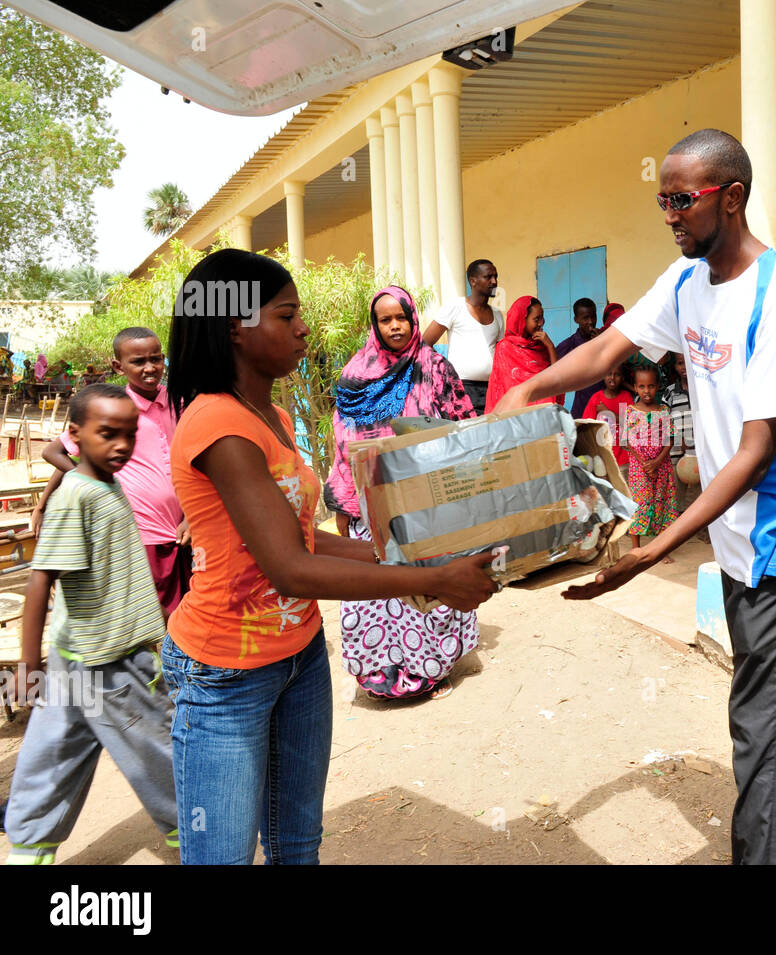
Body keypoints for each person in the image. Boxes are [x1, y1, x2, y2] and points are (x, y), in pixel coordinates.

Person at [495, 129, 776, 866]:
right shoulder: (685, 283)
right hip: (740, 539)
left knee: (759, 726)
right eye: (663, 200)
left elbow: (756, 450)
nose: (670, 215)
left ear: (732, 197)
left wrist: (654, 548)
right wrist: (529, 385)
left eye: (682, 199)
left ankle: (775, 851)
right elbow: (607, 348)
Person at [162, 249, 497, 864]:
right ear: (235, 324)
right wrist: (430, 580)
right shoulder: (218, 424)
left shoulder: (273, 415)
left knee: (297, 845)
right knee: (221, 857)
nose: (302, 328)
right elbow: (288, 569)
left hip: (299, 657)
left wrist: (401, 554)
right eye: (286, 314)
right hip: (225, 674)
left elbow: (303, 538)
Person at [4, 383, 178, 864]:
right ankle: (197, 833)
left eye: (129, 434)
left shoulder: (106, 483)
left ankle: (29, 847)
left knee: (52, 754)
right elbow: (40, 581)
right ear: (75, 435)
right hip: (110, 659)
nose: (121, 445)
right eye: (108, 434)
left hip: (78, 652)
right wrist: (26, 663)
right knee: (161, 750)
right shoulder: (78, 496)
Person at [325, 285, 480, 700]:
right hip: (370, 500)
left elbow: (461, 422)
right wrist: (343, 500)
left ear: (413, 319)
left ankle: (431, 669)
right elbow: (343, 441)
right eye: (385, 319)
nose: (395, 326)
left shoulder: (432, 366)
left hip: (427, 498)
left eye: (402, 318)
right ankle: (379, 674)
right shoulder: (355, 375)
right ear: (374, 326)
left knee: (428, 583)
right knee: (374, 587)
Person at [33, 327, 192, 618]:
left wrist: (191, 517)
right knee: (150, 615)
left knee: (184, 614)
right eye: (138, 361)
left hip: (181, 532)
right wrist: (103, 486)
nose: (149, 368)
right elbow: (56, 452)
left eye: (155, 359)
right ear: (118, 366)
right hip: (141, 532)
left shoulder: (178, 403)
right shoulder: (115, 410)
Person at [423, 259, 504, 415]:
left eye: (495, 276)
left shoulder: (497, 314)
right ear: (473, 281)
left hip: (491, 389)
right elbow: (425, 342)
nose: (494, 282)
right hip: (460, 388)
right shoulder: (456, 307)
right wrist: (443, 369)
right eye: (488, 277)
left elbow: (501, 352)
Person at [624, 364, 678, 559]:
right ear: (636, 387)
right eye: (642, 387)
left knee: (662, 503)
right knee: (641, 503)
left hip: (661, 466)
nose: (647, 391)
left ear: (658, 387)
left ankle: (661, 549)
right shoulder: (630, 411)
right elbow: (627, 441)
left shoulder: (663, 411)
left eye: (651, 386)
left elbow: (670, 439)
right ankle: (636, 547)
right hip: (639, 470)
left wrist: (656, 462)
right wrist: (645, 463)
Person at [484, 295, 559, 413]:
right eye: (536, 319)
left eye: (542, 318)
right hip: (517, 418)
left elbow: (557, 378)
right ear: (521, 319)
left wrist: (550, 346)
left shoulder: (542, 346)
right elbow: (504, 389)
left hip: (543, 416)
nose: (541, 323)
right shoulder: (505, 348)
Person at [662, 352, 700, 522]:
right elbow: (662, 420)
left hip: (699, 450)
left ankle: (699, 525)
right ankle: (676, 525)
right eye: (679, 363)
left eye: (687, 362)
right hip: (676, 451)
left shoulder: (701, 389)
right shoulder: (670, 393)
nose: (684, 367)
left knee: (699, 489)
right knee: (676, 490)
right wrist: (678, 439)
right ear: (674, 366)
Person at [582, 361, 633, 471]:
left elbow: (629, 424)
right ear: (603, 376)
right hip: (602, 459)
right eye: (609, 374)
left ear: (623, 378)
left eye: (617, 374)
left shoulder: (625, 397)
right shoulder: (596, 399)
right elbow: (586, 428)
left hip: (624, 460)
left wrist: (607, 411)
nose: (612, 378)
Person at [558, 297, 603, 420]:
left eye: (593, 316)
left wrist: (600, 344)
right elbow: (554, 369)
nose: (590, 322)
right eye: (585, 318)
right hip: (582, 406)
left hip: (605, 405)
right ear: (576, 319)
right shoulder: (569, 345)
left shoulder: (604, 338)